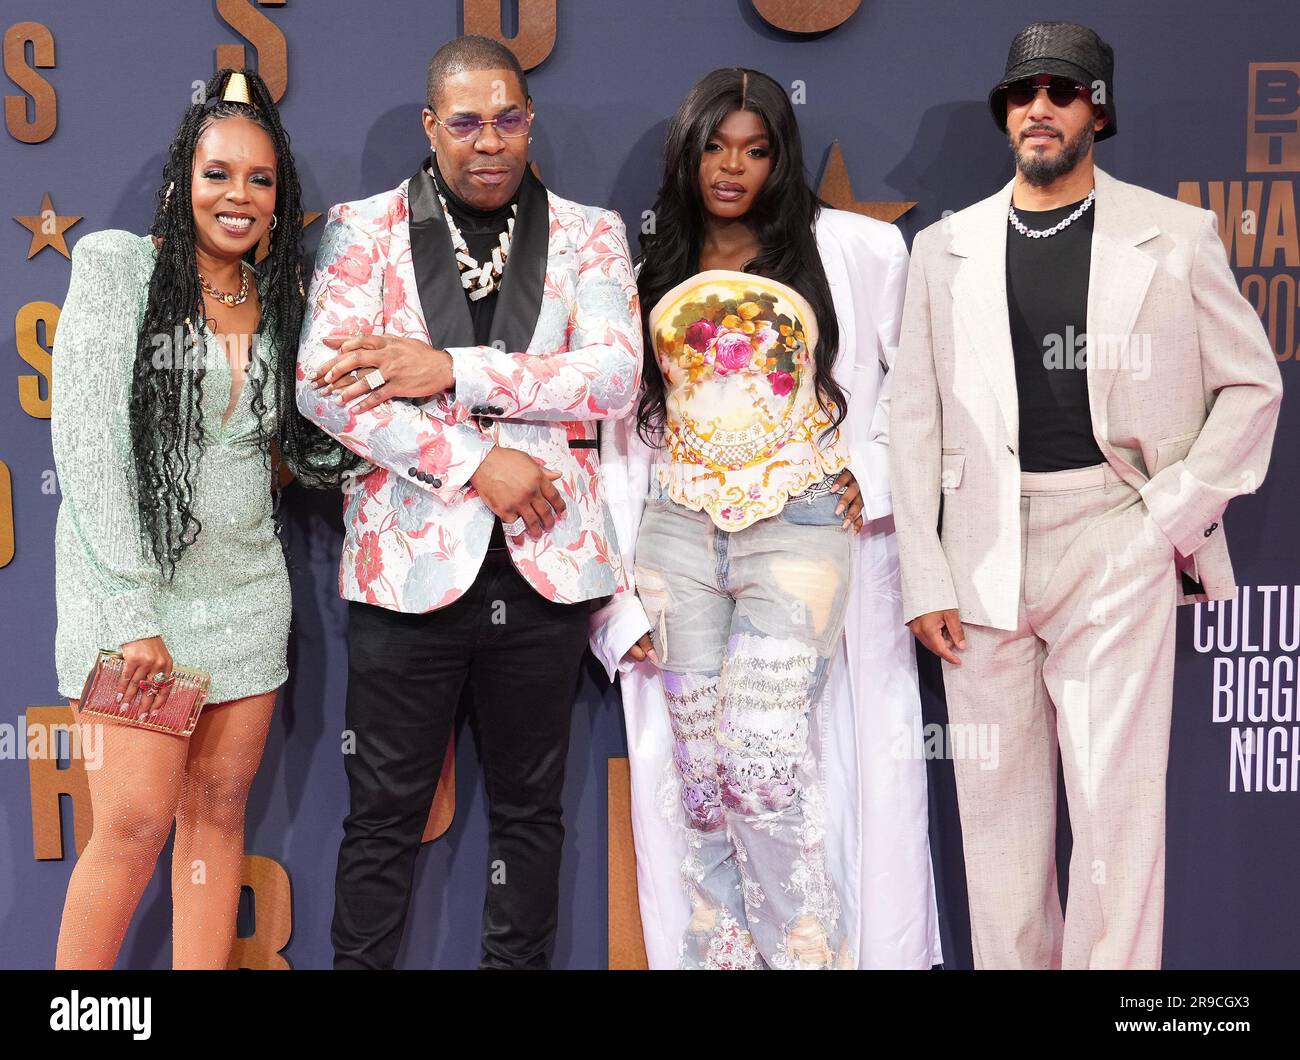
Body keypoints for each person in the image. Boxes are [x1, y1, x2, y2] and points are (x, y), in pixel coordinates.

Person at [889, 21, 1284, 969]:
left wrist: (1165, 522)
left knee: (1115, 822)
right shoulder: (945, 249)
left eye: (1061, 93)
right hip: (980, 552)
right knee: (998, 832)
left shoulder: (1176, 235)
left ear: (1096, 112)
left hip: (1114, 533)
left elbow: (1253, 385)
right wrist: (924, 574)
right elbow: (912, 421)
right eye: (1022, 94)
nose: (1038, 109)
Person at [297, 35, 642, 969]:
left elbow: (613, 377)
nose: (489, 141)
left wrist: (454, 368)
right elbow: (325, 390)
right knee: (380, 819)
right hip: (406, 569)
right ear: (431, 126)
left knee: (532, 816)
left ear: (528, 121)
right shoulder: (364, 231)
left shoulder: (590, 232)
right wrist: (473, 458)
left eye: (508, 119)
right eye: (466, 123)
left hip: (547, 560)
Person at [591, 68, 940, 969]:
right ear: (688, 153)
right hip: (677, 535)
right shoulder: (648, 269)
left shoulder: (861, 252)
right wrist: (613, 600)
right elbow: (622, 441)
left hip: (803, 528)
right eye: (715, 146)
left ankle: (806, 956)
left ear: (781, 157)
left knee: (765, 765)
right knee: (700, 783)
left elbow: (920, 386)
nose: (733, 168)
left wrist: (873, 472)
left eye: (756, 148)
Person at [51, 68, 363, 969]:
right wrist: (133, 614)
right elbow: (89, 450)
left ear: (279, 197)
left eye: (259, 180)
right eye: (219, 173)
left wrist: (368, 405)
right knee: (135, 825)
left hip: (249, 590)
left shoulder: (281, 305)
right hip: (138, 598)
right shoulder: (121, 270)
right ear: (184, 177)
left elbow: (294, 453)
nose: (238, 196)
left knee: (218, 815)